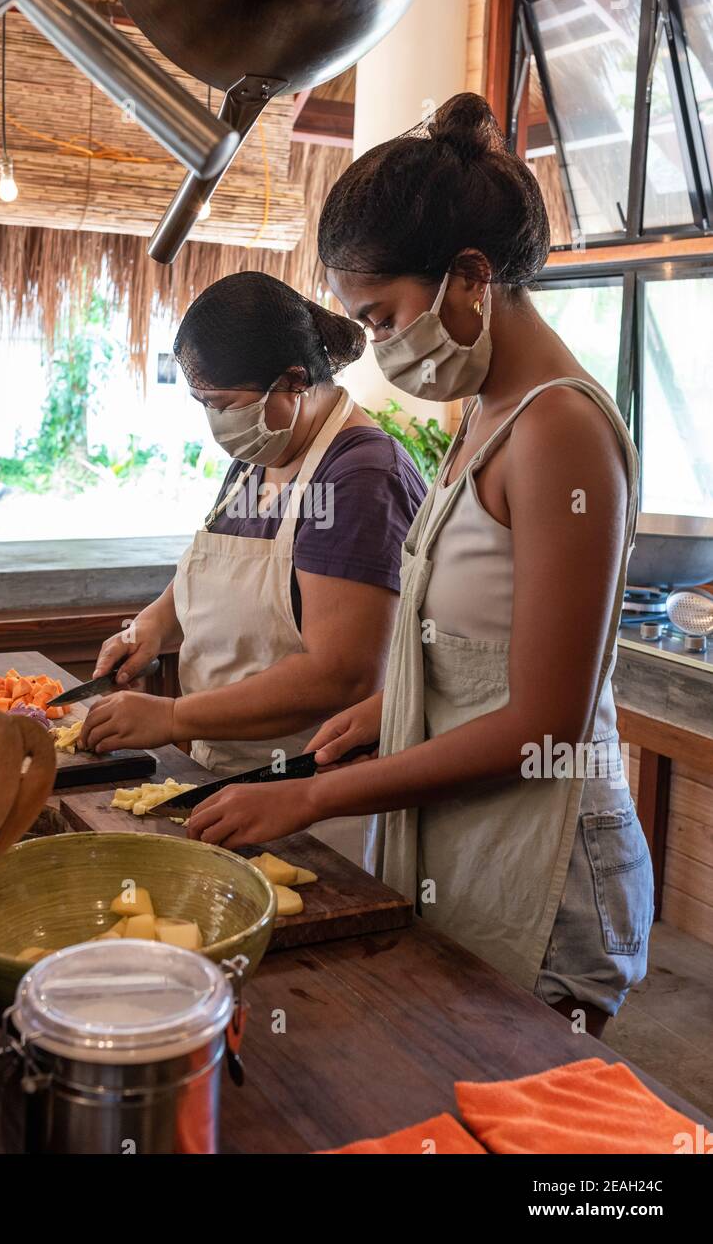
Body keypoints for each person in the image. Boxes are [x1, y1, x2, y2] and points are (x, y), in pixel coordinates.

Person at [187, 94, 654, 1034]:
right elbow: (478, 641)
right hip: (474, 832)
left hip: (547, 861)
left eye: (384, 316)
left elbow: (541, 726)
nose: (383, 347)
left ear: (471, 278)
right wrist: (395, 703)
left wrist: (312, 794)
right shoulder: (488, 413)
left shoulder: (558, 429)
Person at [82, 271, 426, 858]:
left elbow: (341, 675)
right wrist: (152, 627)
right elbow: (215, 567)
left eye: (223, 404)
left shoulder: (361, 476)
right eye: (203, 404)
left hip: (311, 799)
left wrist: (171, 718)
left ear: (293, 381)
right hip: (224, 773)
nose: (215, 423)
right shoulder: (261, 451)